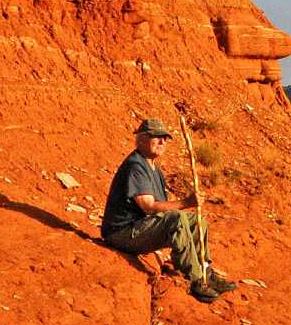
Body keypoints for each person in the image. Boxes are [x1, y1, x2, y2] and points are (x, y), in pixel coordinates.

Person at [101, 118, 238, 303]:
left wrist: (187, 206)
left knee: (198, 221)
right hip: (121, 233)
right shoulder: (136, 166)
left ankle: (206, 273)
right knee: (177, 219)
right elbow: (149, 207)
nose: (162, 142)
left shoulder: (153, 167)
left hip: (139, 228)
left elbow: (161, 208)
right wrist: (186, 202)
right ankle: (196, 280)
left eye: (165, 138)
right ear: (141, 139)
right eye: (156, 137)